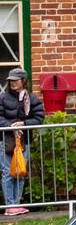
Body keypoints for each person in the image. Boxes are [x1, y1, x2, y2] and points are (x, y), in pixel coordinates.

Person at [0, 68, 45, 216]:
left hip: (24, 141)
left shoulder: (31, 98)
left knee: (20, 172)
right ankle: (10, 205)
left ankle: (17, 204)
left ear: (23, 81)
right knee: (8, 172)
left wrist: (24, 124)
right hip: (6, 140)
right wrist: (10, 126)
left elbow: (39, 117)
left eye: (16, 80)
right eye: (11, 80)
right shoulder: (2, 98)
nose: (12, 83)